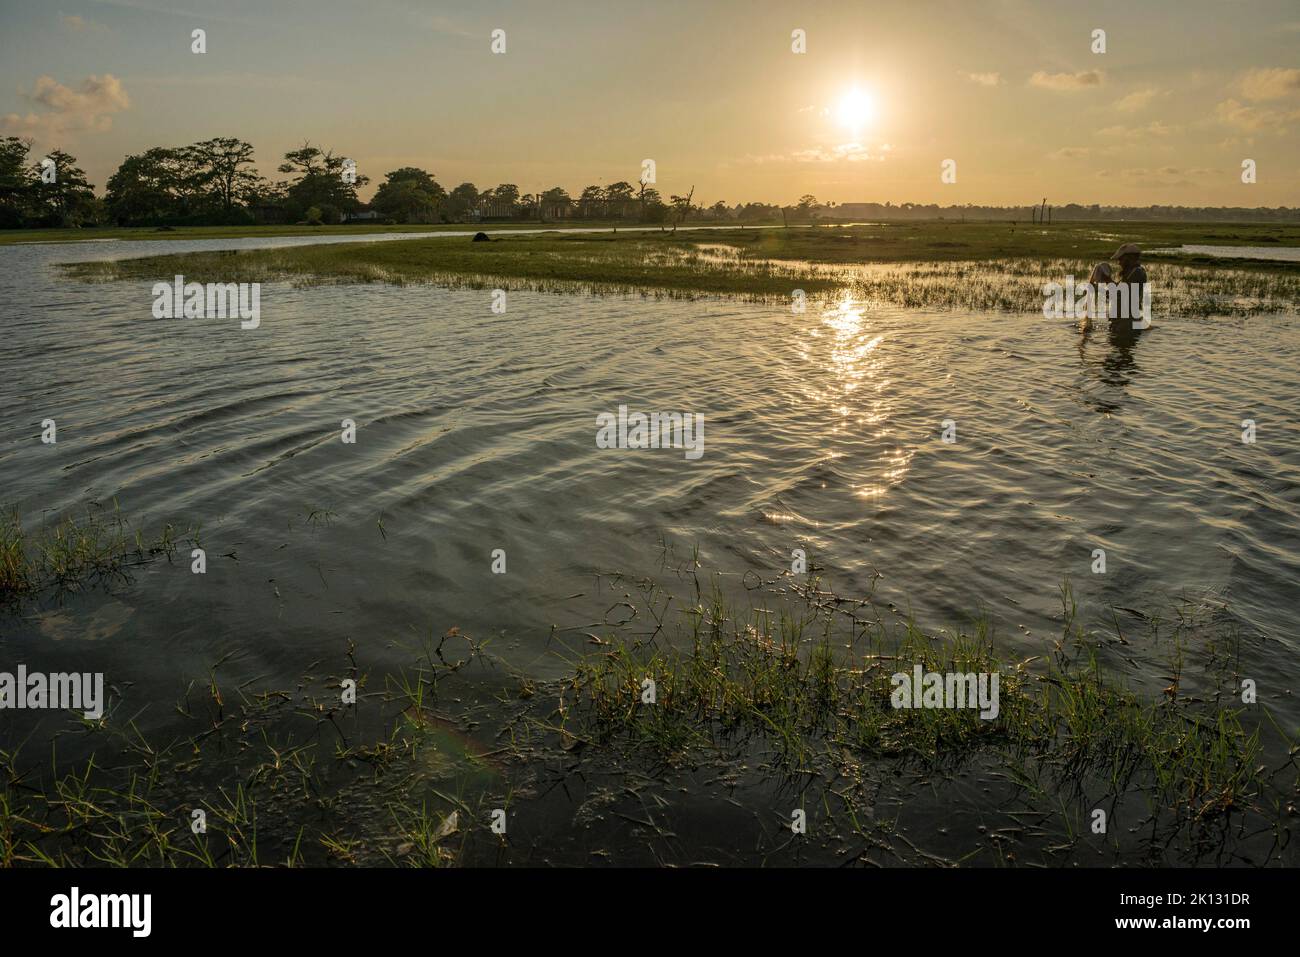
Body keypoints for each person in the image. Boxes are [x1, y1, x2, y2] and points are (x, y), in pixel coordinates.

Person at [1111, 243, 1148, 329]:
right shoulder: (1130, 273)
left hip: (1127, 323)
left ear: (1129, 258)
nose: (1119, 263)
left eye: (1121, 259)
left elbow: (1124, 293)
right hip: (1121, 321)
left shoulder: (1137, 272)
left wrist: (1107, 281)